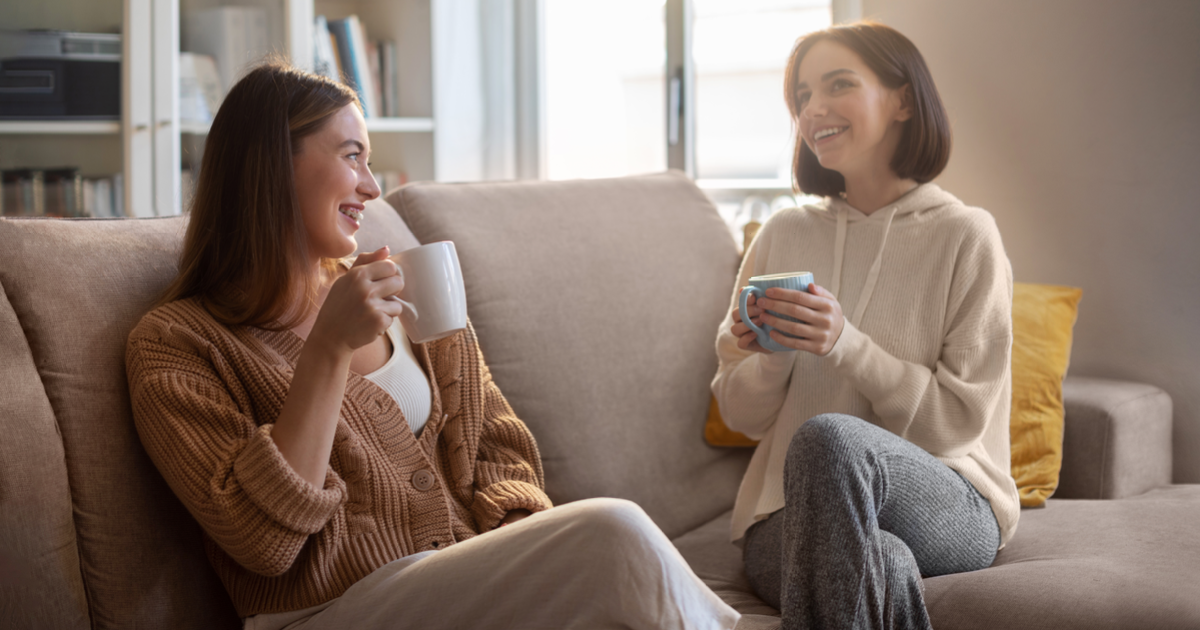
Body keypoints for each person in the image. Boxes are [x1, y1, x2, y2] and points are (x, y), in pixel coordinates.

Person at [126, 62, 739, 630]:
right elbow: (261, 541)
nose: (370, 185)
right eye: (351, 156)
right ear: (271, 166)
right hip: (326, 612)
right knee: (612, 529)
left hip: (467, 590)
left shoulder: (407, 293)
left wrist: (520, 542)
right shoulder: (176, 345)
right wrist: (328, 350)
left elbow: (497, 445)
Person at [712, 22, 1020, 630]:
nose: (813, 109)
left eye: (838, 84)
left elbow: (955, 426)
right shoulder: (783, 234)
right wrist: (774, 354)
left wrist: (845, 345)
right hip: (788, 515)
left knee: (831, 437)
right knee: (880, 559)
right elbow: (741, 417)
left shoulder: (965, 236)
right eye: (802, 96)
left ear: (903, 100)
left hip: (946, 498)